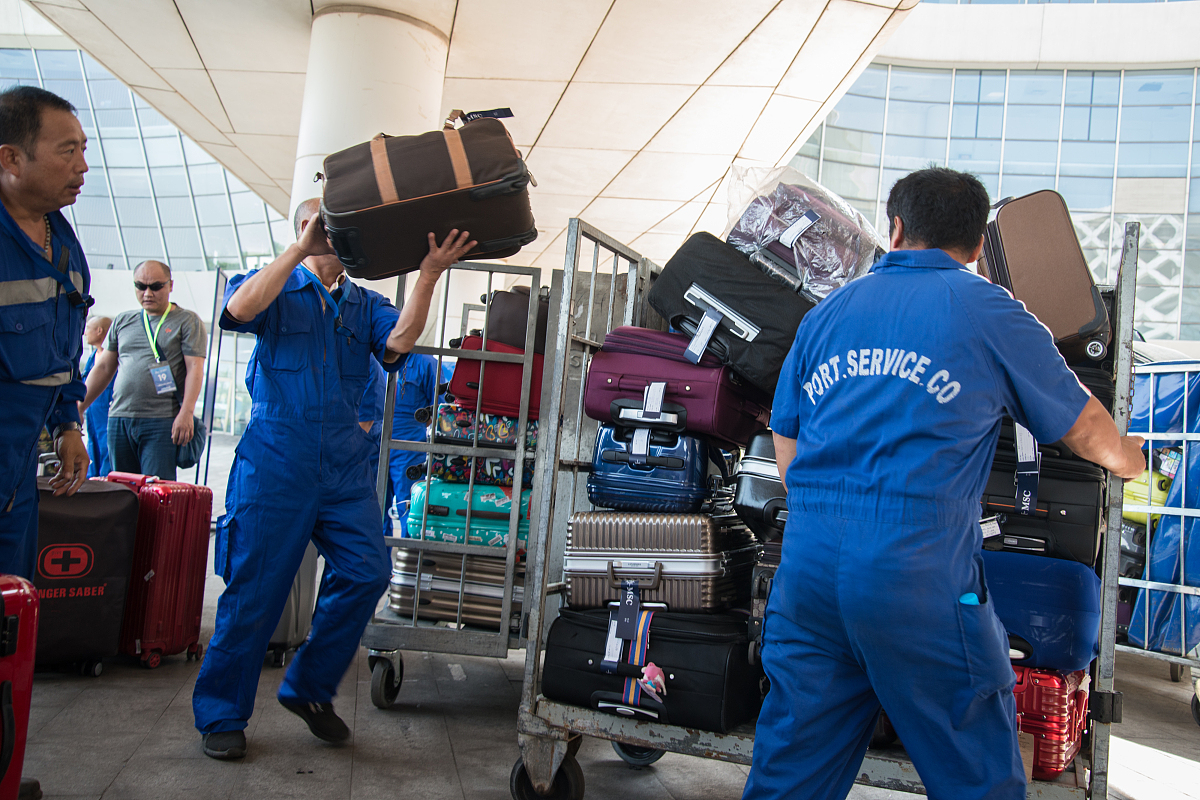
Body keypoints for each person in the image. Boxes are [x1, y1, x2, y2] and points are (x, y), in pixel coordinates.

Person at [742, 167, 1146, 800]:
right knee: (973, 771)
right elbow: (1086, 428)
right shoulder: (990, 311)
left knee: (792, 769)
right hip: (919, 575)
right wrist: (1132, 459)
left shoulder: (827, 314)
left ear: (895, 227)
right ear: (980, 245)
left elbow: (788, 449)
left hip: (810, 571)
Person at [192, 195, 474, 761]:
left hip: (345, 467)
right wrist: (299, 248)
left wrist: (427, 277)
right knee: (254, 592)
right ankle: (222, 713)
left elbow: (399, 343)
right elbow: (239, 311)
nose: (336, 236)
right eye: (327, 224)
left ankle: (309, 686)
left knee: (368, 571)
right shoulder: (274, 285)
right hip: (277, 460)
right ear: (304, 225)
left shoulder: (364, 303)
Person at [0, 83, 92, 800]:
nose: (83, 164)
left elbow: (64, 348)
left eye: (84, 150)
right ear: (10, 158)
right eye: (67, 150)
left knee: (9, 621)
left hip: (15, 478)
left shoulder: (62, 239)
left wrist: (69, 423)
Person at [80, 260, 206, 481]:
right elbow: (103, 367)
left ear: (170, 285)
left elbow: (195, 368)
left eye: (156, 286)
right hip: (120, 417)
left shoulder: (187, 321)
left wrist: (186, 412)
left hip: (161, 420)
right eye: (140, 286)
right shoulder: (123, 320)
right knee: (121, 491)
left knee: (155, 492)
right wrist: (80, 407)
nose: (147, 293)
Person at [387, 352, 439, 536]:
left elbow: (439, 408)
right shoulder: (375, 357)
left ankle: (409, 559)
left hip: (410, 446)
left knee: (409, 508)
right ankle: (376, 564)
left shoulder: (425, 363)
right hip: (375, 442)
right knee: (372, 509)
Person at [81, 315, 114, 477]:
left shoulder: (114, 359)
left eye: (88, 329)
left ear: (99, 331)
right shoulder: (92, 357)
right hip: (92, 415)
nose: (85, 333)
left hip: (107, 415)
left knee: (107, 449)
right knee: (92, 447)